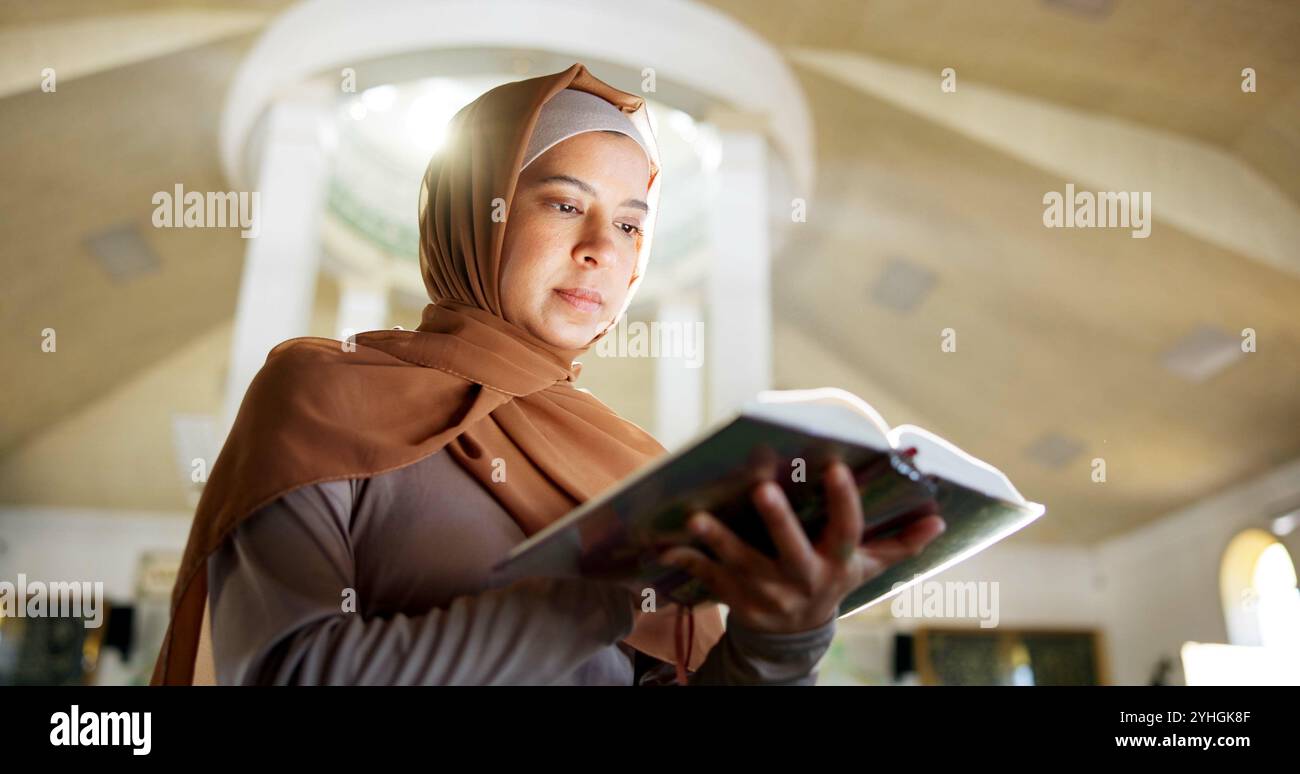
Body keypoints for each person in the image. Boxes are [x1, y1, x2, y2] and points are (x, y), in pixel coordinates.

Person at [149, 63, 945, 686]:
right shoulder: (324, 391)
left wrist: (785, 634)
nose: (604, 245)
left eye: (631, 223)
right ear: (477, 210)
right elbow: (289, 669)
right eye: (565, 205)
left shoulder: (635, 463)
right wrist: (605, 590)